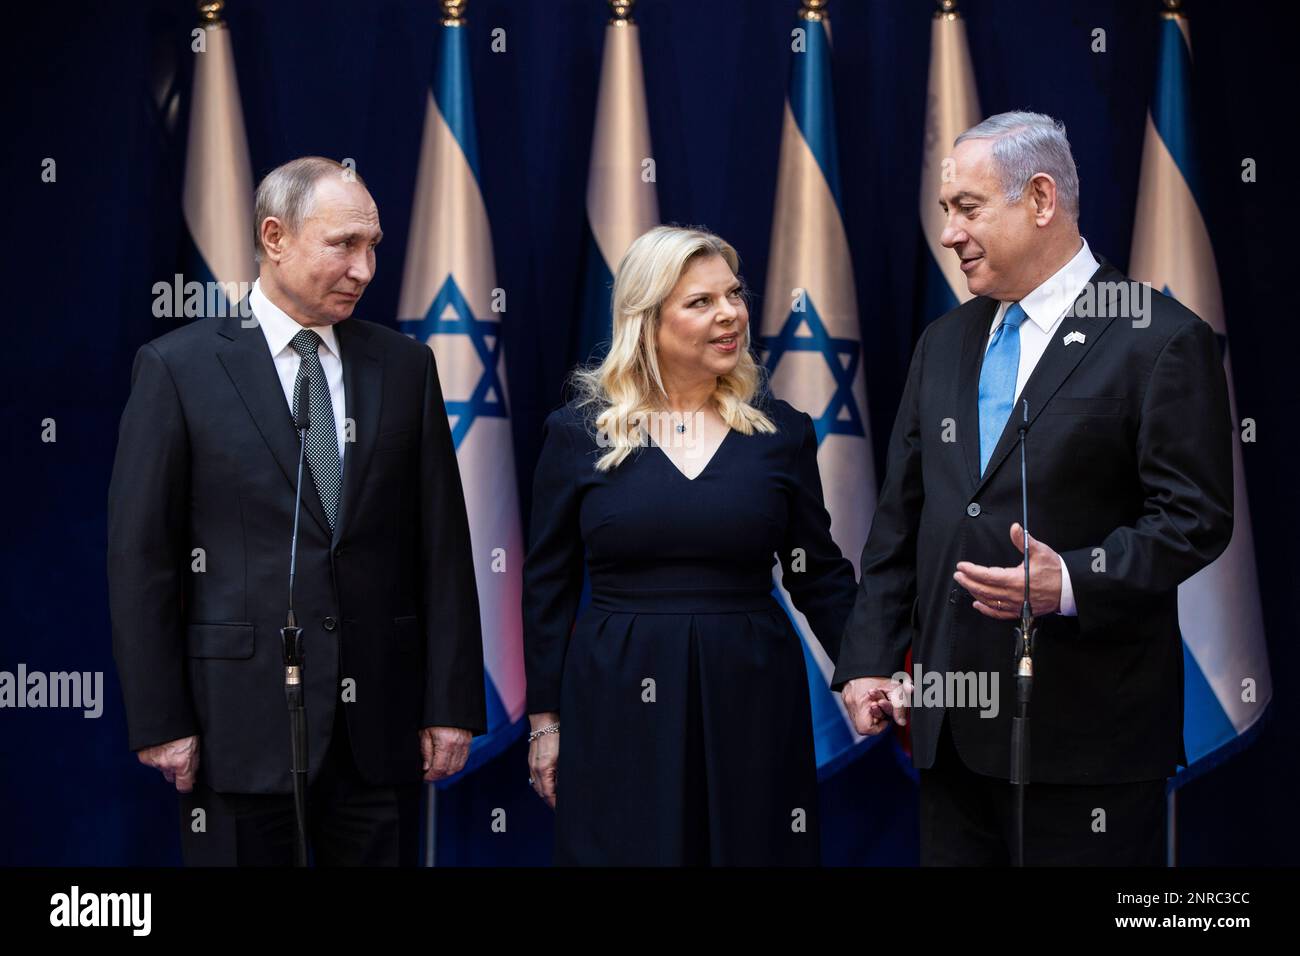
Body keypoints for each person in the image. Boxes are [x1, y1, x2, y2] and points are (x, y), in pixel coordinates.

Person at [833, 112, 1233, 865]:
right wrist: (867, 658)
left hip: (1089, 740)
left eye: (967, 208)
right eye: (947, 211)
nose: (949, 233)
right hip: (952, 738)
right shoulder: (944, 341)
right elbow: (902, 520)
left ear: (1041, 199)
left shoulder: (1158, 335)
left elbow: (1195, 518)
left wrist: (1074, 580)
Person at [107, 156, 486, 866]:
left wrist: (451, 702)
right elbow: (141, 560)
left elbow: (442, 547)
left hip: (375, 725)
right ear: (275, 237)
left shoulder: (404, 367)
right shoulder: (178, 369)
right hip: (236, 726)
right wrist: (160, 719)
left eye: (373, 245)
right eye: (344, 244)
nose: (365, 268)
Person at [521, 224, 857, 865]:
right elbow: (547, 590)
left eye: (732, 295)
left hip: (753, 694)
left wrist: (866, 669)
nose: (730, 313)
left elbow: (818, 573)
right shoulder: (576, 434)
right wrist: (545, 724)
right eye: (700, 302)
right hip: (616, 695)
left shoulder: (782, 432)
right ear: (647, 321)